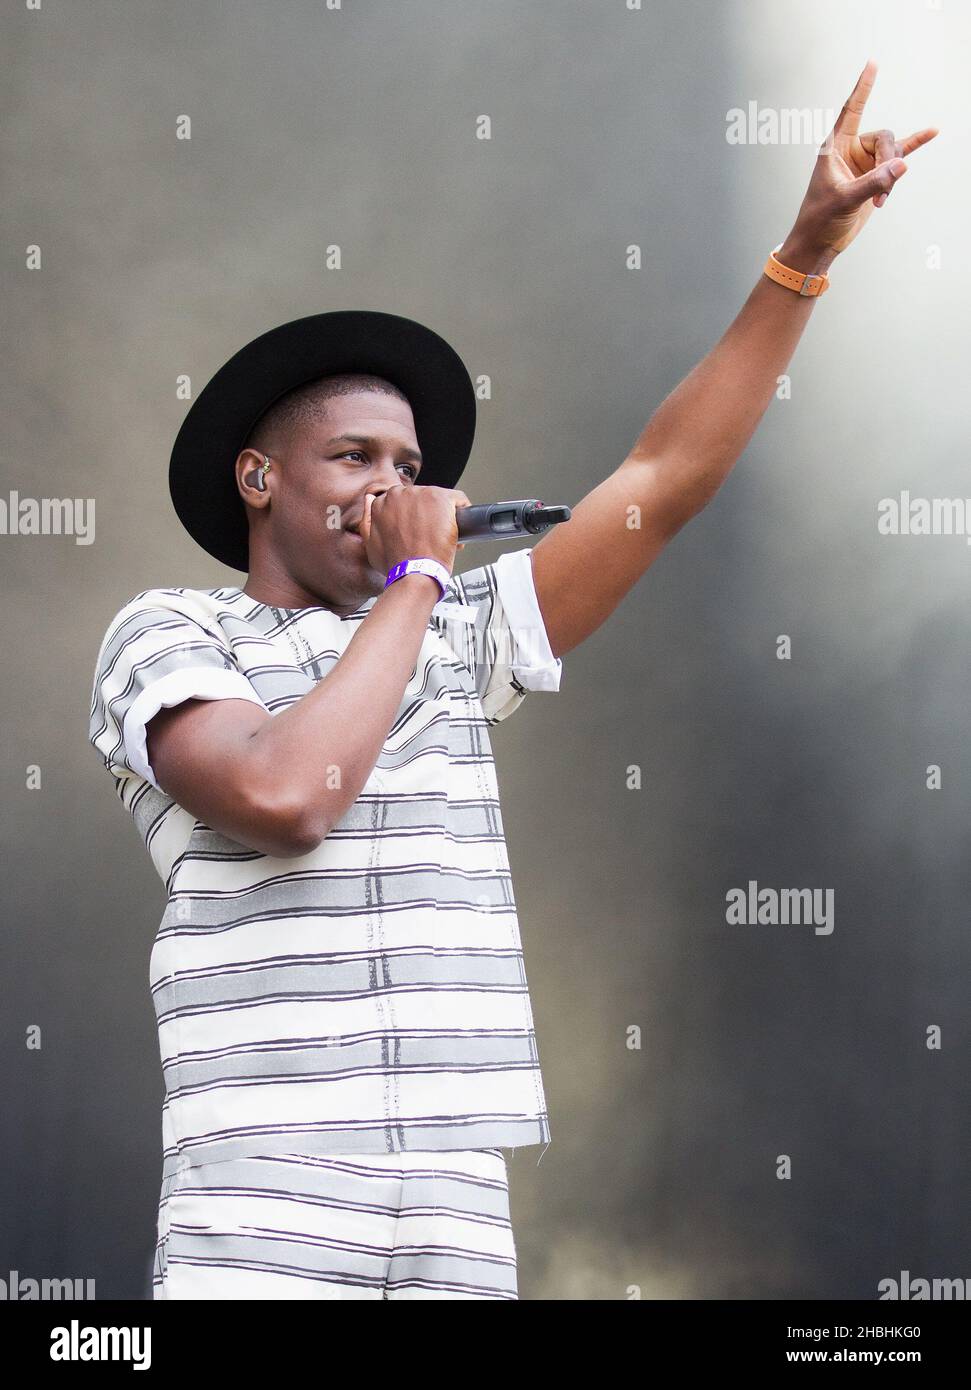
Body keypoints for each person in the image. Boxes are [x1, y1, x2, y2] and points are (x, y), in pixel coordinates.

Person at [88, 61, 936, 1299]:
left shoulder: (446, 629)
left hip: (454, 1198)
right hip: (269, 1188)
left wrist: (800, 257)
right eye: (352, 455)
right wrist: (416, 586)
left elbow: (657, 482)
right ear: (258, 477)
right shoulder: (167, 632)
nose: (393, 485)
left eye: (410, 462)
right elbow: (284, 793)